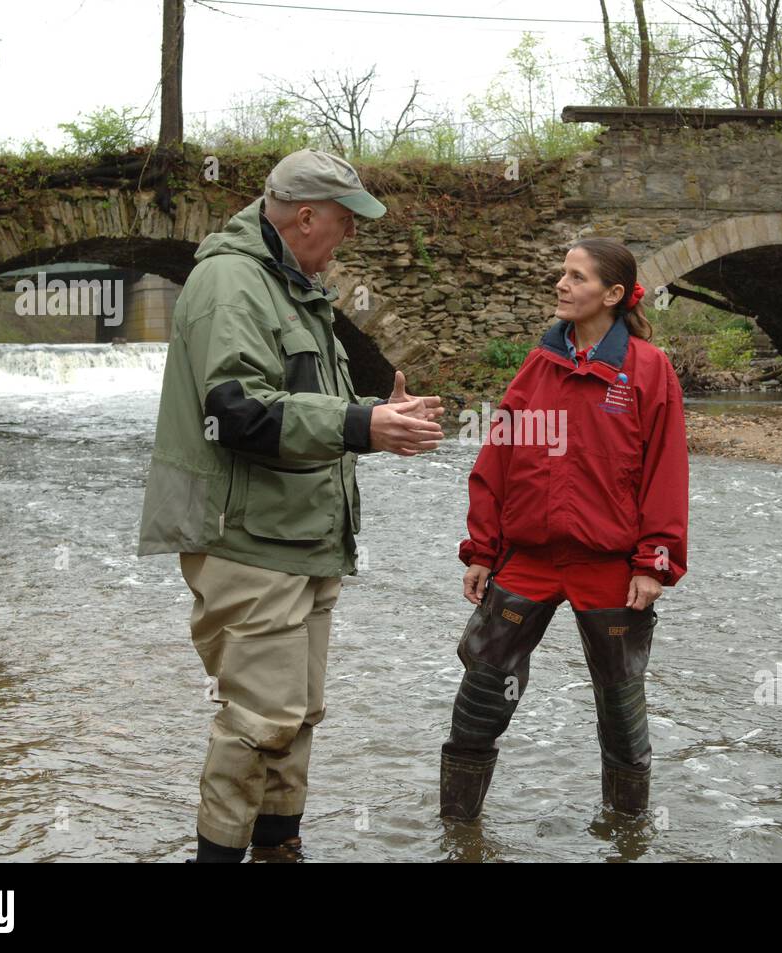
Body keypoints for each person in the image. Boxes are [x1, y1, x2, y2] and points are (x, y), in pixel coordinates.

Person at [137, 149, 444, 862]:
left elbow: (302, 405)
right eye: (343, 222)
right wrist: (359, 425)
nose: (348, 238)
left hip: (302, 538)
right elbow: (235, 412)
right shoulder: (232, 282)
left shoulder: (293, 286)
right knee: (258, 720)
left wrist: (371, 415)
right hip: (246, 539)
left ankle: (281, 848)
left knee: (295, 717)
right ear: (305, 217)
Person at [441, 237, 689, 820]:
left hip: (610, 569)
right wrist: (481, 549)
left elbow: (666, 473)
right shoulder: (538, 365)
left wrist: (655, 562)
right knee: (481, 695)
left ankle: (627, 834)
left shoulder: (648, 370)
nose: (561, 284)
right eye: (563, 274)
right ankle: (458, 832)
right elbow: (497, 457)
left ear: (613, 294)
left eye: (576, 277)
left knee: (621, 711)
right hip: (526, 559)